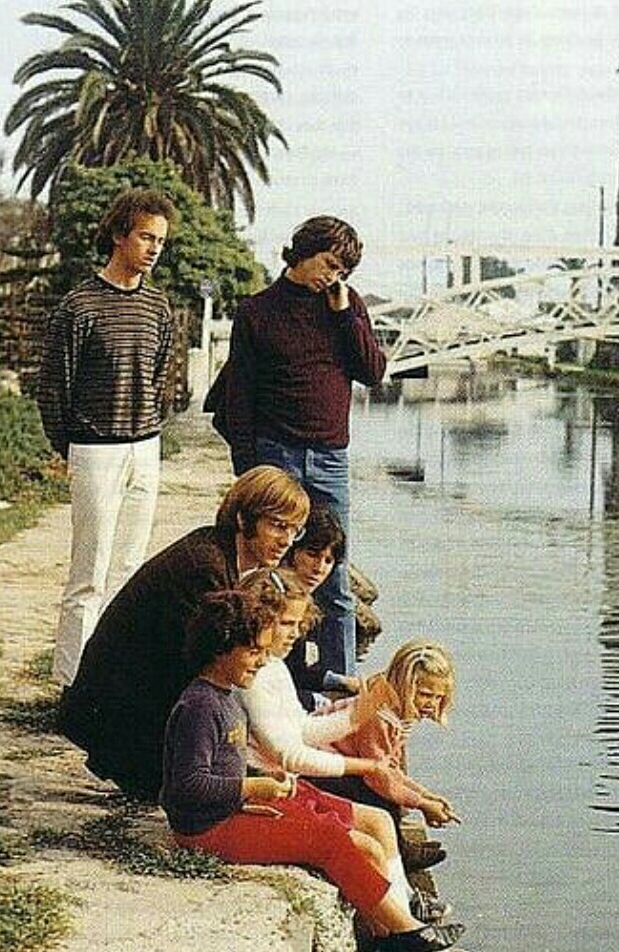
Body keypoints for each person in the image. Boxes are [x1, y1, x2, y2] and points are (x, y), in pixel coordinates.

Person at [160, 587, 471, 952]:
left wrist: (261, 780)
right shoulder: (201, 706)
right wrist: (251, 788)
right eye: (254, 651)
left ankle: (400, 942)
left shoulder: (225, 694)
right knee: (326, 838)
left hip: (229, 809)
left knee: (327, 818)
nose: (261, 661)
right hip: (204, 829)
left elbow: (227, 766)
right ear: (221, 649)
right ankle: (407, 935)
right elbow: (184, 788)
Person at [58, 465, 309, 802]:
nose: (287, 541)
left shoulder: (225, 555)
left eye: (295, 530)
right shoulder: (206, 568)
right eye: (277, 526)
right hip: (117, 705)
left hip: (137, 694)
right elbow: (215, 661)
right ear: (243, 519)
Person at [207, 214, 387, 683]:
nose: (333, 276)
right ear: (304, 251)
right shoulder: (258, 310)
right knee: (272, 574)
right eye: (329, 264)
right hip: (275, 454)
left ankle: (340, 690)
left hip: (329, 459)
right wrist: (248, 471)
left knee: (335, 581)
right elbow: (240, 394)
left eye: (343, 271)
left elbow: (373, 371)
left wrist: (346, 312)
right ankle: (275, 686)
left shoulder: (345, 309)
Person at [235, 568, 449, 925]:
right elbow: (288, 754)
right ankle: (403, 934)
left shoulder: (273, 667)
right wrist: (364, 765)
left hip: (283, 780)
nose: (297, 634)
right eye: (288, 624)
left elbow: (301, 730)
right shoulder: (253, 676)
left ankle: (406, 913)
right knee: (367, 832)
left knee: (379, 820)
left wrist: (357, 714)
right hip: (267, 785)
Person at [38, 188, 178, 687]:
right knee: (89, 573)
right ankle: (71, 682)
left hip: (145, 447)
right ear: (120, 235)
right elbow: (53, 387)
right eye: (146, 236)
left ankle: (111, 679)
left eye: (161, 239)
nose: (155, 248)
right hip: (95, 449)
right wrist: (70, 448)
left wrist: (151, 431)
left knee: (128, 569)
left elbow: (163, 376)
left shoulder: (159, 307)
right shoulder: (80, 306)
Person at [313, 639, 461, 837]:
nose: (431, 704)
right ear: (403, 685)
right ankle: (398, 851)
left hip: (349, 762)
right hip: (315, 765)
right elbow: (378, 776)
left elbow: (391, 767)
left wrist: (425, 795)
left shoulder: (397, 711)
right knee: (380, 801)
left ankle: (398, 844)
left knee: (390, 796)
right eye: (425, 694)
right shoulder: (379, 717)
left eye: (438, 697)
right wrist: (422, 804)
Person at [282, 505, 349, 708]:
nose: (319, 568)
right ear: (293, 551)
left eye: (328, 560)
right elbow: (280, 686)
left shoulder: (305, 601)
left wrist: (344, 682)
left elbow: (294, 671)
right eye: (312, 554)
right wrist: (325, 703)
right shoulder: (279, 600)